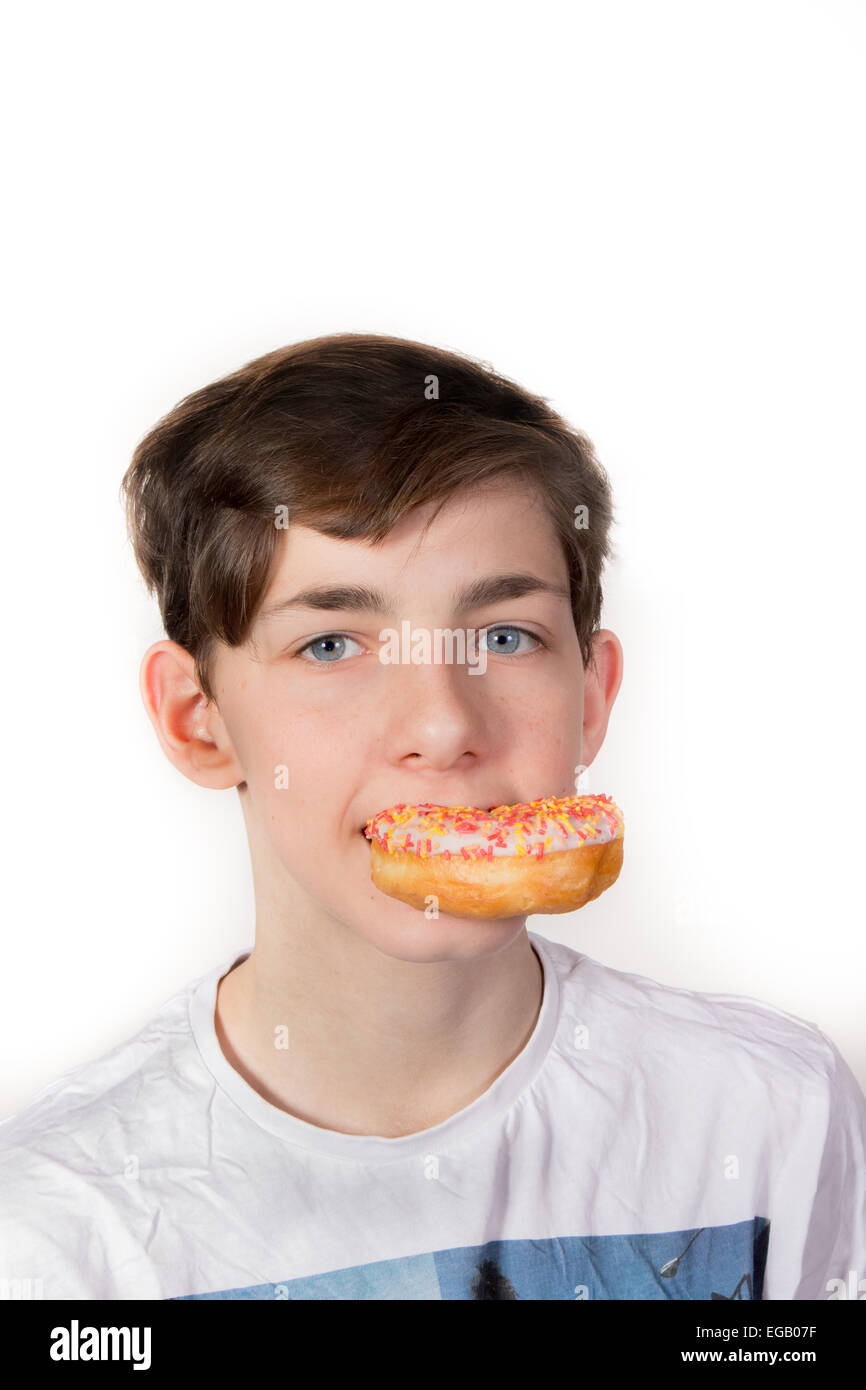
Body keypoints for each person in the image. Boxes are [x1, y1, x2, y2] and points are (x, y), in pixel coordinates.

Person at [1, 333, 863, 1301]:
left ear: (590, 696)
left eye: (506, 636)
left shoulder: (774, 1117)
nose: (444, 726)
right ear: (196, 720)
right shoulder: (56, 1239)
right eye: (331, 645)